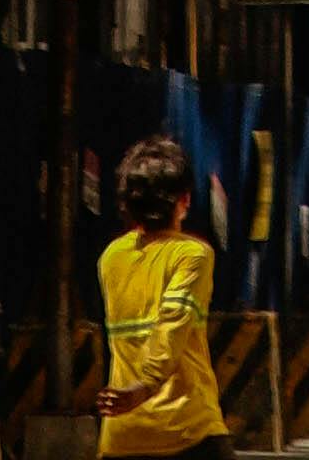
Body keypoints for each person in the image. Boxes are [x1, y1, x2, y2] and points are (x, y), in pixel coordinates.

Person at [96, 135, 227, 453]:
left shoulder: (112, 256)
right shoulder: (192, 255)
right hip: (186, 430)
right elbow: (173, 322)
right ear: (184, 201)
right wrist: (145, 387)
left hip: (122, 435)